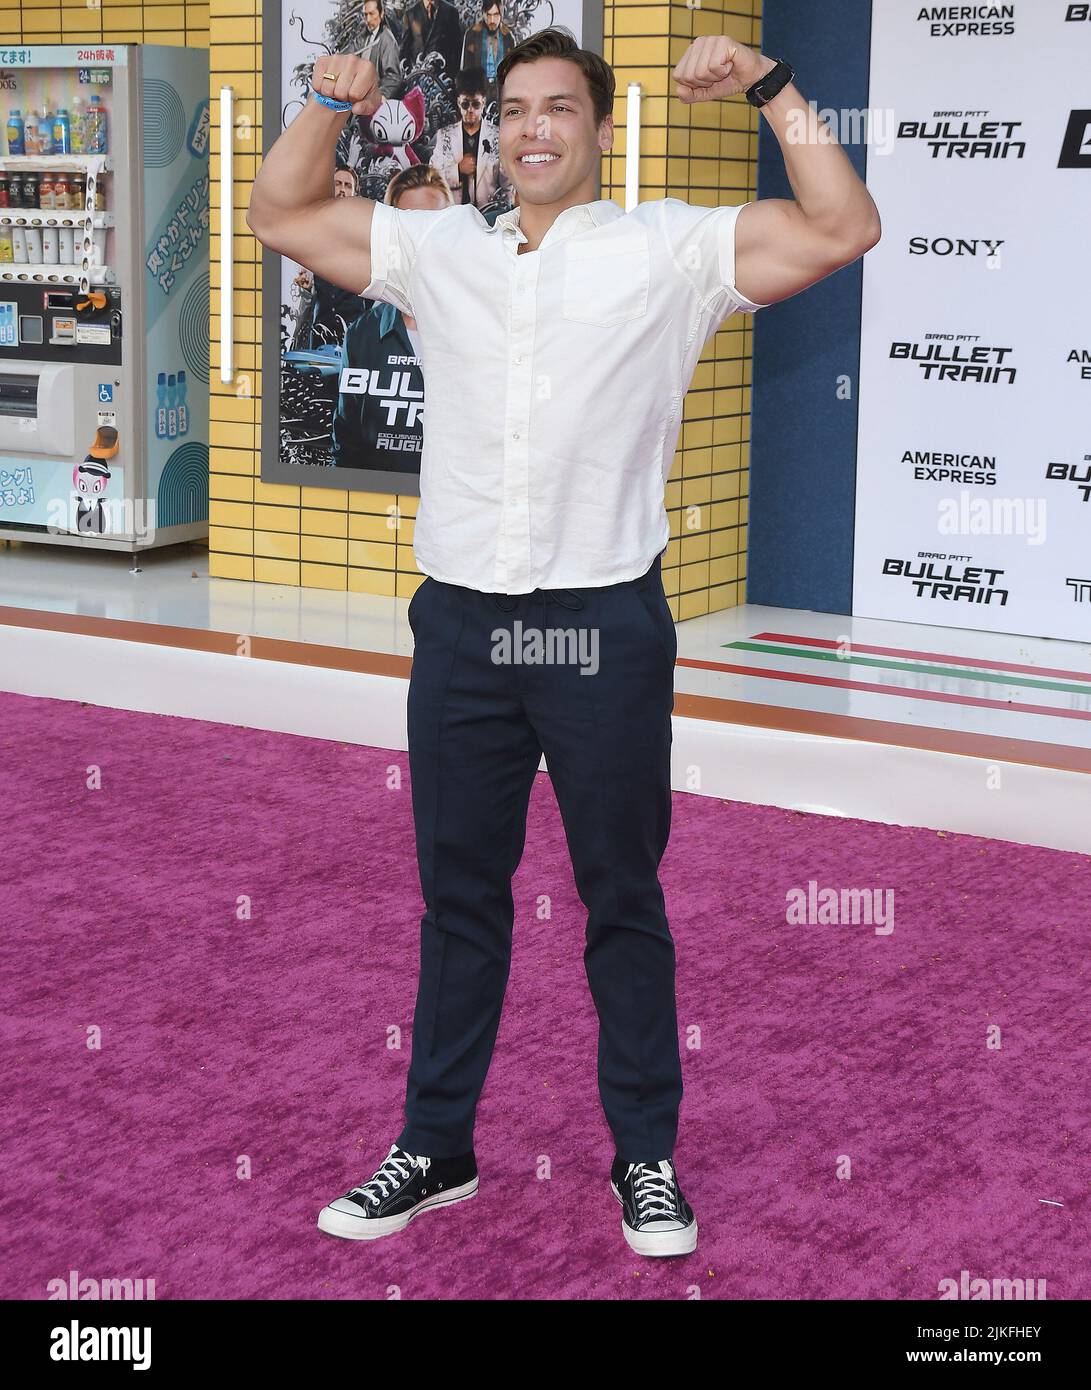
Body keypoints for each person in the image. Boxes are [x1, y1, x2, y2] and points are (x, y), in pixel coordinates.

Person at [248, 26, 881, 1259]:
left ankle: (644, 1155)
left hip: (600, 627)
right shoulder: (434, 250)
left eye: (559, 108)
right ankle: (435, 1148)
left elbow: (841, 223)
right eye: (516, 111)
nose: (536, 128)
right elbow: (281, 209)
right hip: (461, 627)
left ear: (595, 129)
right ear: (491, 133)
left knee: (620, 897)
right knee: (458, 898)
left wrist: (770, 84)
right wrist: (328, 102)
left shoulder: (669, 249)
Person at [332, 165, 453, 470]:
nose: (420, 239)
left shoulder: (485, 324)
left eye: (434, 225)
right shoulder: (363, 336)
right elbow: (347, 444)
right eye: (408, 226)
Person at [289, 164, 364, 350]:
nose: (342, 189)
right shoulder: (311, 228)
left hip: (354, 331)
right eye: (338, 184)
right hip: (319, 330)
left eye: (348, 185)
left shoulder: (364, 232)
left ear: (355, 193)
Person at [429, 66, 508, 208]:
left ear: (483, 102)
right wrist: (457, 170)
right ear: (459, 103)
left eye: (476, 104)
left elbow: (508, 183)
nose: (470, 110)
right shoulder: (444, 136)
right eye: (465, 104)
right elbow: (432, 178)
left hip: (488, 217)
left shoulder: (498, 136)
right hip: (452, 216)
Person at [460, 1, 514, 105]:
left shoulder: (508, 37)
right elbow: (465, 71)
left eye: (496, 15)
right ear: (483, 14)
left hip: (502, 94)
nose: (492, 20)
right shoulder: (472, 34)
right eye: (488, 15)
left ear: (501, 14)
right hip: (477, 93)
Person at [398, 0, 462, 81]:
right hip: (418, 78)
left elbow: (457, 48)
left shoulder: (451, 12)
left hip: (443, 79)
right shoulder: (410, 14)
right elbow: (404, 51)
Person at [353, 0, 402, 99]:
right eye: (365, 15)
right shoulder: (363, 36)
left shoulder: (387, 41)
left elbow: (393, 77)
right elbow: (351, 51)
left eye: (371, 14)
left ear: (381, 14)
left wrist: (381, 96)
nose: (368, 19)